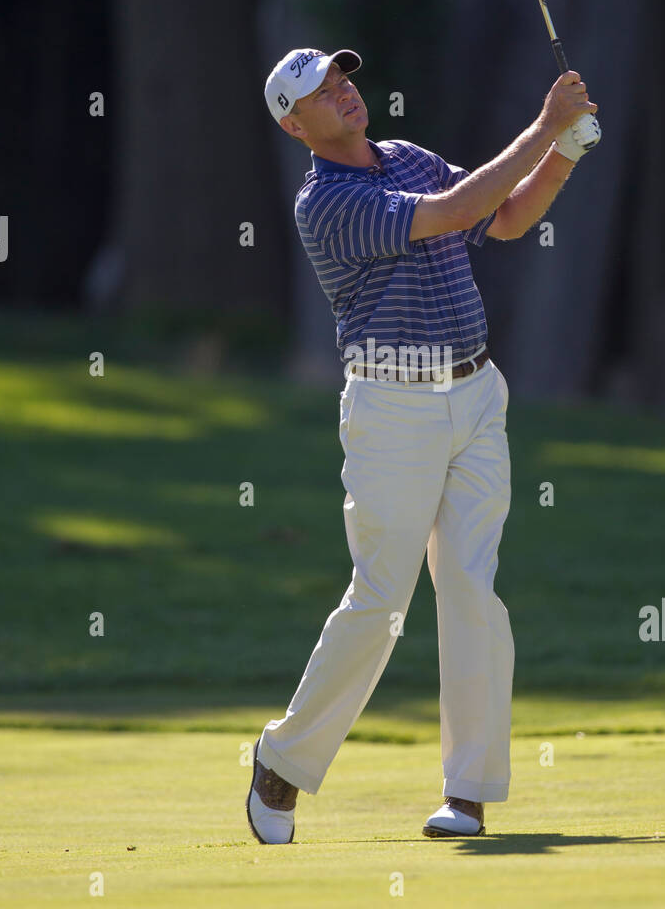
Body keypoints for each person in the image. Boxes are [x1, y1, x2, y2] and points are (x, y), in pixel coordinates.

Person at [247, 46, 600, 842]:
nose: (344, 94)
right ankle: (283, 759)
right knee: (381, 599)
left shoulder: (406, 155)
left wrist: (563, 157)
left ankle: (467, 794)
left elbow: (502, 217)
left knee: (473, 588)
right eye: (322, 93)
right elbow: (449, 212)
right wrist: (545, 125)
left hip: (476, 393)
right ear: (295, 124)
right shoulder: (325, 202)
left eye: (344, 80)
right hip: (392, 407)